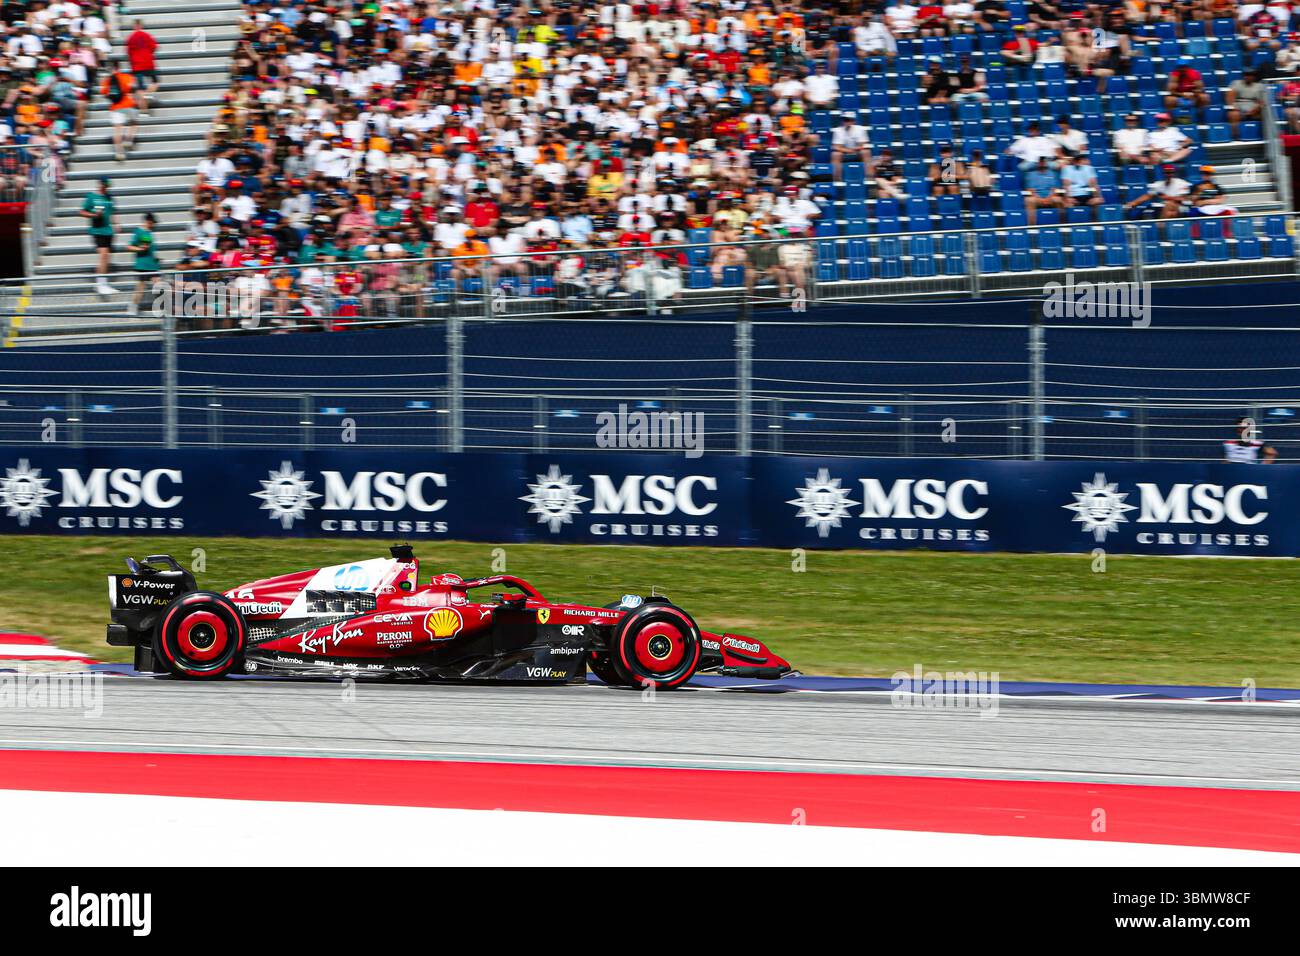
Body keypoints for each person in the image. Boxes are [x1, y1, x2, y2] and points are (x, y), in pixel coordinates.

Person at [81, 177, 115, 298]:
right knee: (103, 255)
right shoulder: (91, 197)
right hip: (97, 230)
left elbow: (112, 213)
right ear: (100, 184)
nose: (106, 188)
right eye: (105, 185)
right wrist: (93, 215)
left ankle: (104, 283)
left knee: (106, 258)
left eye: (108, 186)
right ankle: (100, 284)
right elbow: (82, 212)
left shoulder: (109, 197)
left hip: (108, 231)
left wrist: (116, 224)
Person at [100, 58, 137, 162]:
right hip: (129, 104)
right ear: (118, 67)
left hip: (115, 107)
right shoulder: (127, 77)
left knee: (117, 130)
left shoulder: (107, 80)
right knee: (133, 123)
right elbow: (132, 88)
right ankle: (128, 140)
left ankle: (119, 153)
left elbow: (104, 93)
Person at [127, 213, 160, 316]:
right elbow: (129, 247)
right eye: (153, 222)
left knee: (158, 285)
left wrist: (156, 258)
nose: (153, 225)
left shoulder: (149, 232)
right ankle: (132, 307)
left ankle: (159, 307)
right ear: (148, 221)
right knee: (140, 288)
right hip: (142, 265)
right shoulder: (138, 232)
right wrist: (140, 249)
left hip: (152, 265)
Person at [125, 20, 158, 116]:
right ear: (141, 25)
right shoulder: (147, 35)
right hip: (148, 63)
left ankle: (144, 111)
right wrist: (147, 54)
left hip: (136, 65)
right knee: (155, 82)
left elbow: (128, 52)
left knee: (139, 89)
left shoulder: (130, 38)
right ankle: (147, 94)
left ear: (134, 26)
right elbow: (154, 47)